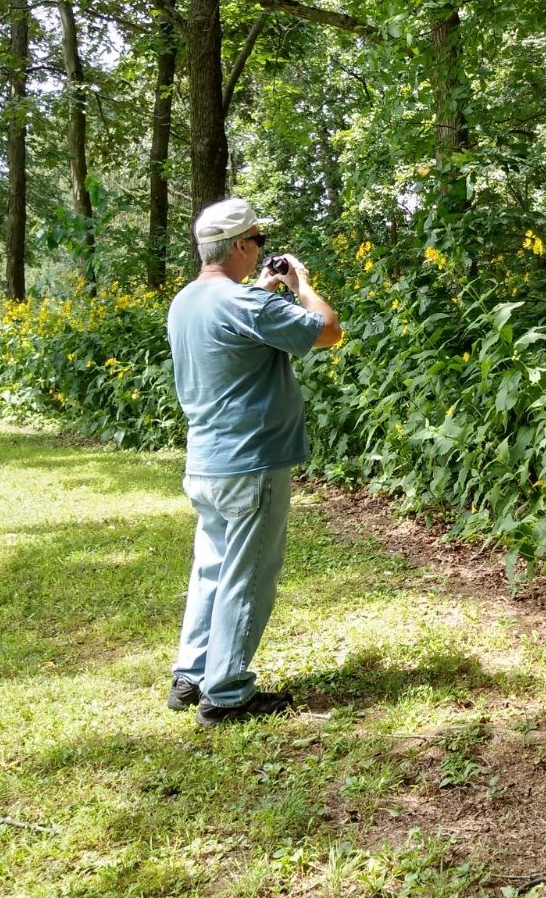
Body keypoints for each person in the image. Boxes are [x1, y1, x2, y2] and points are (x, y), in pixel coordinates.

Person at [164, 197, 342, 726]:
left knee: (211, 570)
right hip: (251, 462)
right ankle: (226, 694)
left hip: (206, 463)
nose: (261, 250)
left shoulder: (186, 301)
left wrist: (262, 288)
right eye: (259, 242)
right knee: (248, 576)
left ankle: (191, 675)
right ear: (240, 245)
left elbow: (238, 328)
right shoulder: (245, 304)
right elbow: (327, 330)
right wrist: (301, 284)